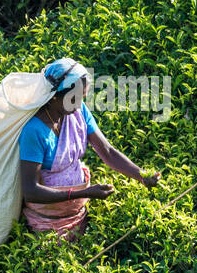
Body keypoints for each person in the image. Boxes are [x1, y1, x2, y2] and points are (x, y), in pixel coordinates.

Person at [17, 57, 160, 242]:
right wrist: (83, 193)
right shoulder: (33, 131)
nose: (78, 104)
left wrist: (141, 175)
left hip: (78, 212)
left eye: (82, 97)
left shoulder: (78, 112)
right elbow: (30, 190)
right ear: (53, 96)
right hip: (46, 221)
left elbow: (107, 151)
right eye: (73, 99)